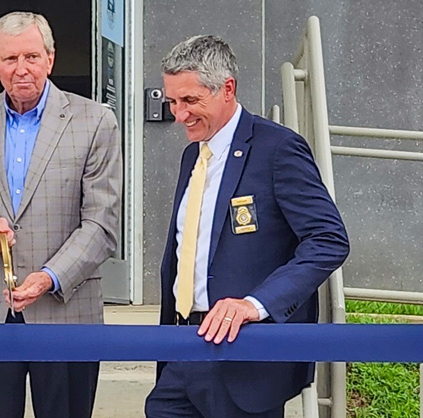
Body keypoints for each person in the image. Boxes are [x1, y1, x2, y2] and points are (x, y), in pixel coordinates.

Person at [145, 35, 350, 417]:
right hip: (182, 349)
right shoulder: (193, 155)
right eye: (172, 101)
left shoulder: (278, 148)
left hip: (243, 357)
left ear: (227, 89)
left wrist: (255, 305)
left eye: (190, 100)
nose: (179, 114)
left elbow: (328, 240)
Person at [0, 11, 121, 418]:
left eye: (32, 57)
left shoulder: (95, 121)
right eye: (11, 58)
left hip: (67, 309)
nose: (22, 69)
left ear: (50, 59)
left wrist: (50, 276)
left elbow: (102, 224)